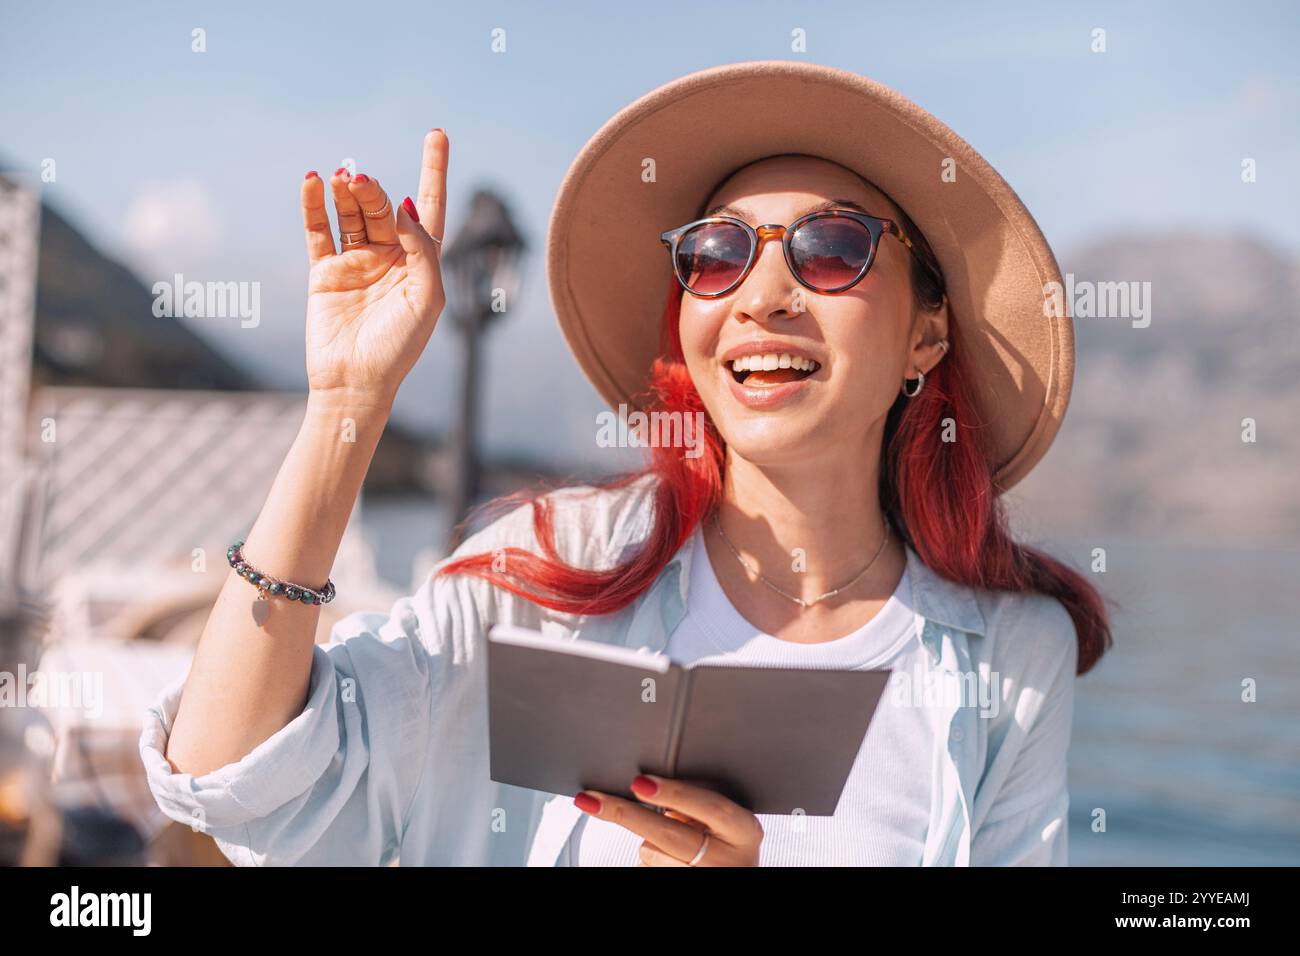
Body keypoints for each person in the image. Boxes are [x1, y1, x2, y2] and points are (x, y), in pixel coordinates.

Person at [140, 60, 1111, 867]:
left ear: (927, 336)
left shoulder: (1009, 658)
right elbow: (233, 779)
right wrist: (346, 408)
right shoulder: (539, 573)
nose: (761, 294)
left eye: (831, 247)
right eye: (716, 253)